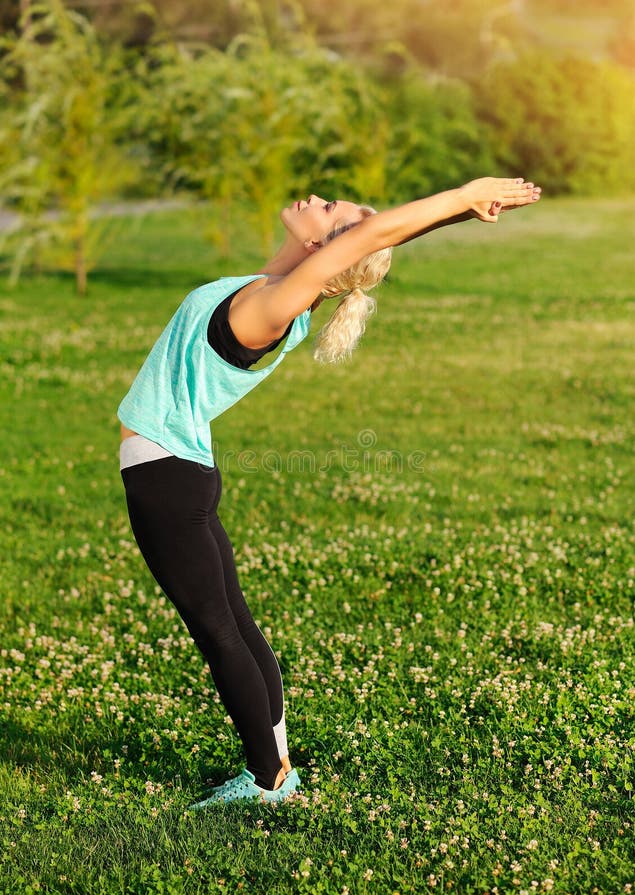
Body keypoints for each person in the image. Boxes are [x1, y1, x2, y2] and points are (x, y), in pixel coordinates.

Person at [117, 177, 542, 806]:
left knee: (219, 632)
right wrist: (456, 215)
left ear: (328, 247)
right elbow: (368, 243)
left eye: (326, 208)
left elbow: (369, 238)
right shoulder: (272, 286)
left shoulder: (272, 308)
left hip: (165, 479)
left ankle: (268, 780)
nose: (313, 199)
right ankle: (277, 763)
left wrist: (463, 193)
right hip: (183, 473)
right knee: (235, 623)